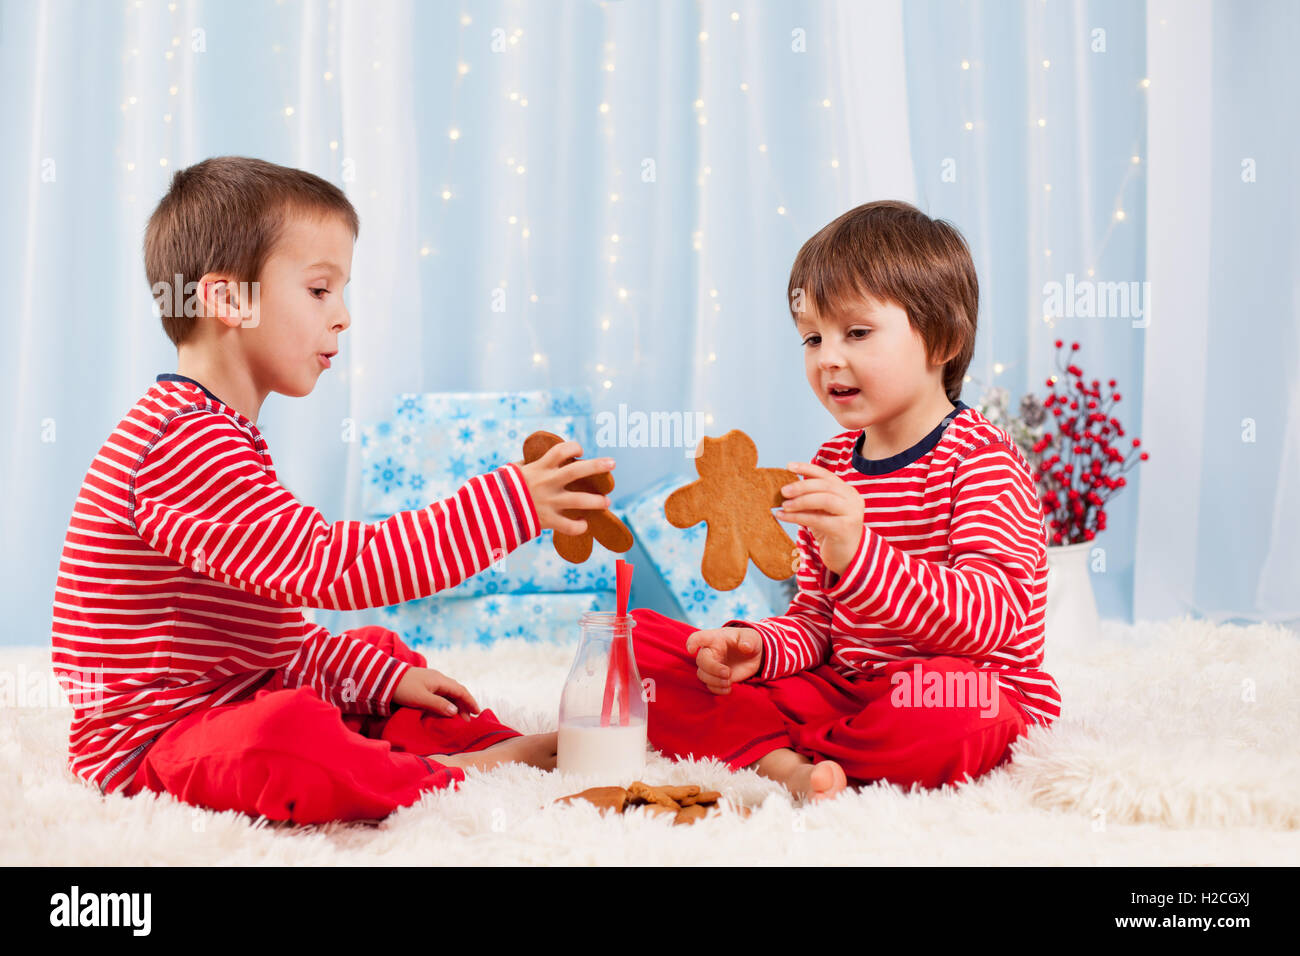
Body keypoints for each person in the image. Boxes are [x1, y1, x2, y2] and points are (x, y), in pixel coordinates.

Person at [49, 156, 615, 824]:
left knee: (377, 655)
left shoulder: (221, 433)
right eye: (320, 291)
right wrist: (508, 505)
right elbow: (334, 567)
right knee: (284, 737)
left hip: (233, 691)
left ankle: (462, 739)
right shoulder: (179, 444)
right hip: (153, 745)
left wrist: (381, 680)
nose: (342, 316)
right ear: (228, 299)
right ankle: (442, 772)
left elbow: (272, 640)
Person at [631, 200, 1061, 802]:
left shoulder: (982, 460)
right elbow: (818, 622)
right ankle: (799, 768)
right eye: (812, 337)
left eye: (856, 332)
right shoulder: (833, 463)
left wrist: (861, 552)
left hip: (955, 688)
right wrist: (759, 648)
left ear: (943, 339)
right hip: (844, 686)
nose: (828, 356)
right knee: (638, 647)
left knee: (965, 710)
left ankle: (782, 749)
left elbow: (991, 622)